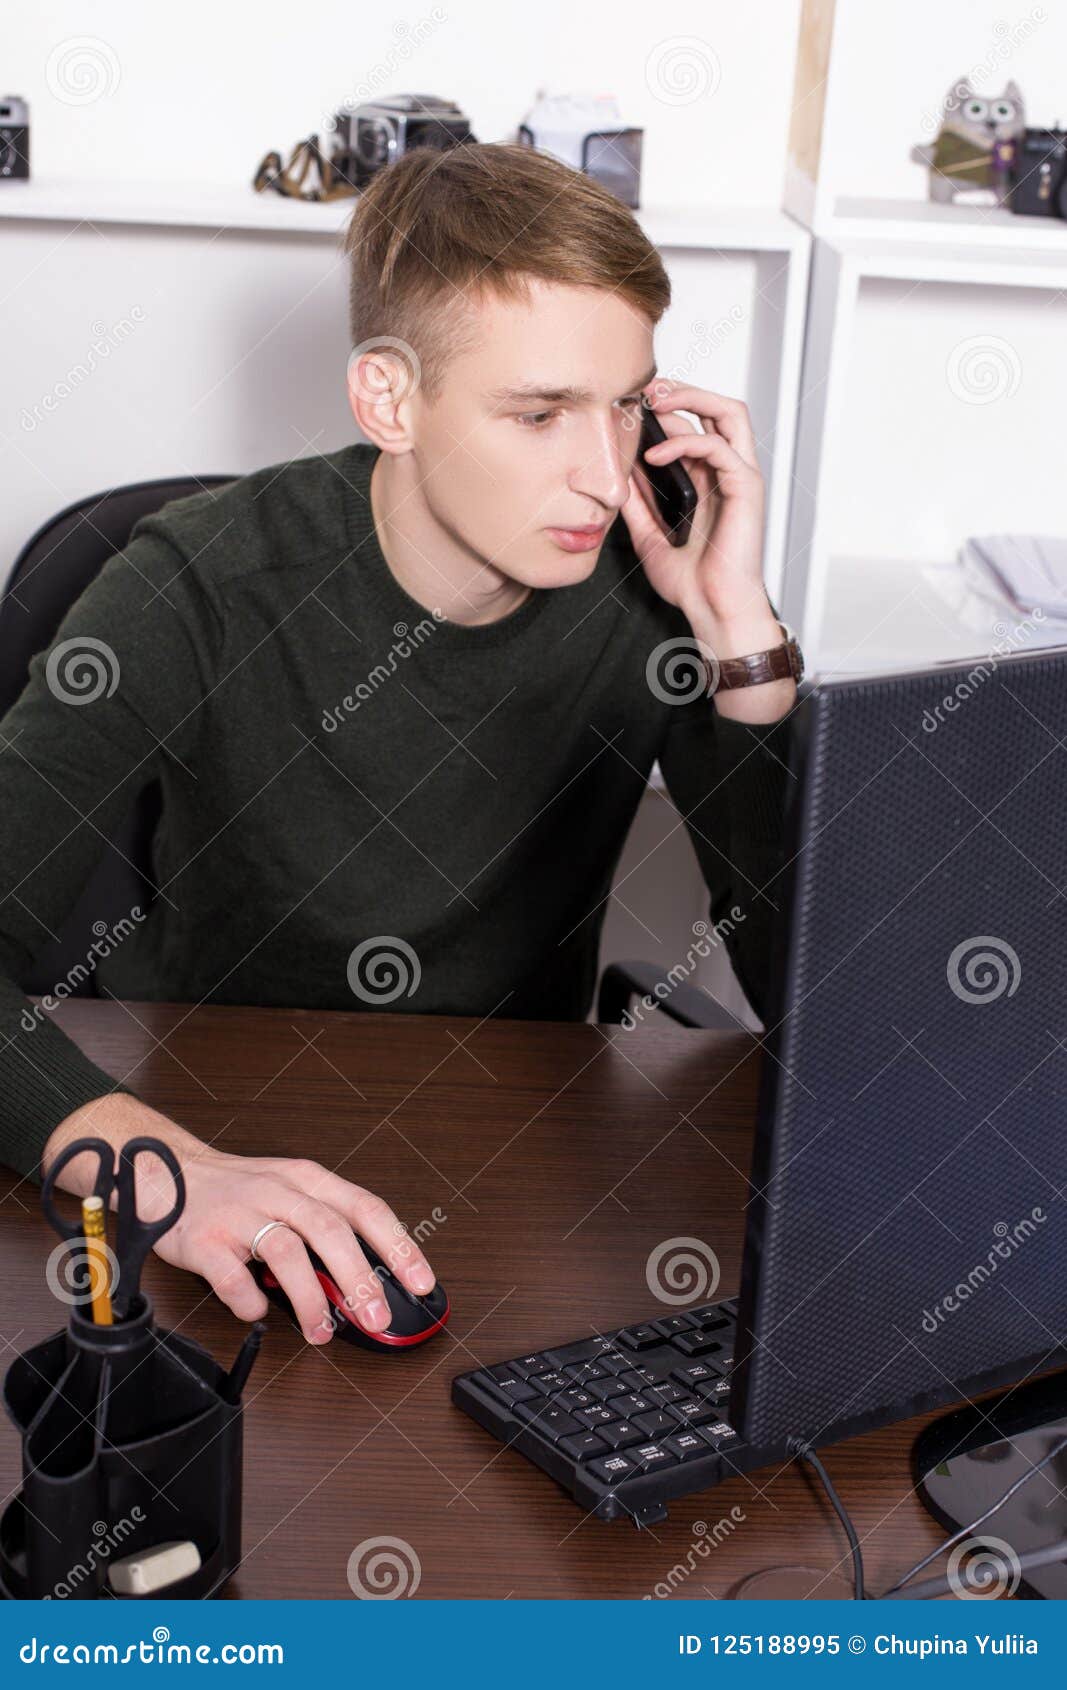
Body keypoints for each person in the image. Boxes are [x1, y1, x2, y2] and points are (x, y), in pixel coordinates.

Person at [0, 142, 796, 1349]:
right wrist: (169, 1174)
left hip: (509, 1150)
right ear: (389, 400)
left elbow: (828, 995)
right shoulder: (193, 582)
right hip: (208, 1126)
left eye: (628, 402)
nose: (602, 470)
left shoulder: (657, 588)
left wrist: (742, 638)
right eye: (538, 413)